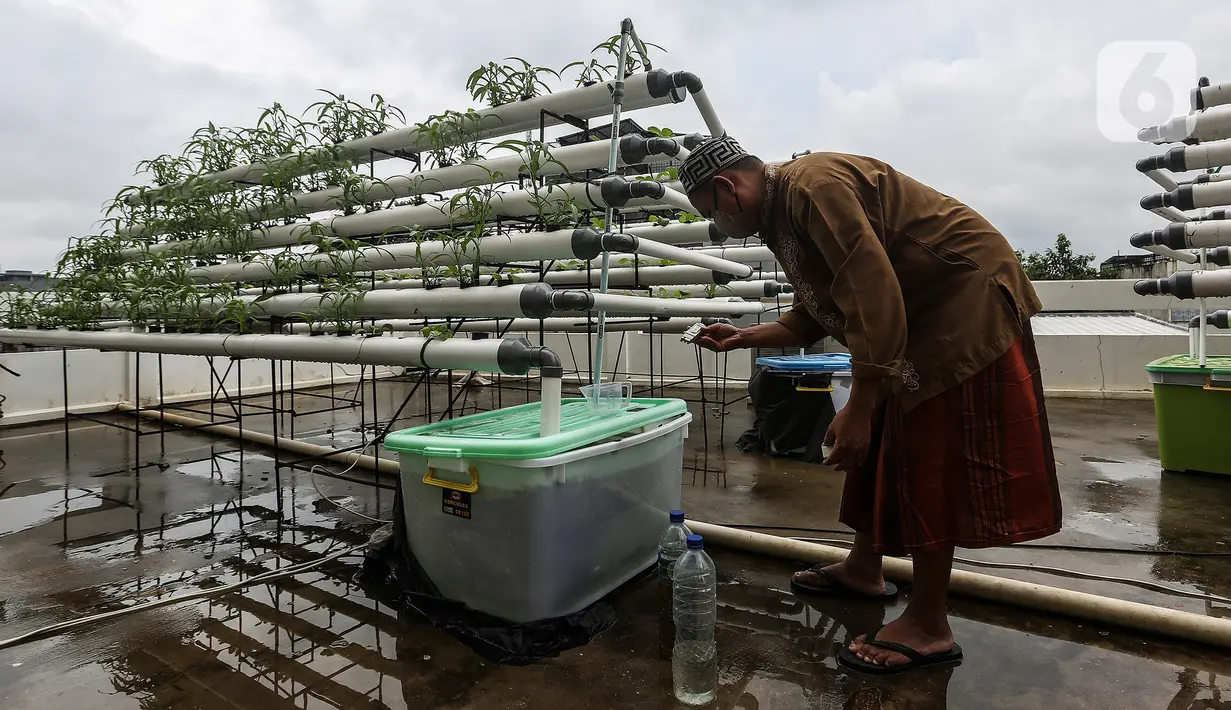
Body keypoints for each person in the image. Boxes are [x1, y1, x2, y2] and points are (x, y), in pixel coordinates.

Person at [678, 136, 1063, 675]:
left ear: (726, 188)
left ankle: (929, 623)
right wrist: (741, 338)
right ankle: (864, 567)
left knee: (930, 453)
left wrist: (860, 404)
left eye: (709, 213)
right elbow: (811, 314)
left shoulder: (813, 186)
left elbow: (871, 291)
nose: (718, 225)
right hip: (916, 313)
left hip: (963, 300)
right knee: (884, 440)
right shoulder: (781, 213)